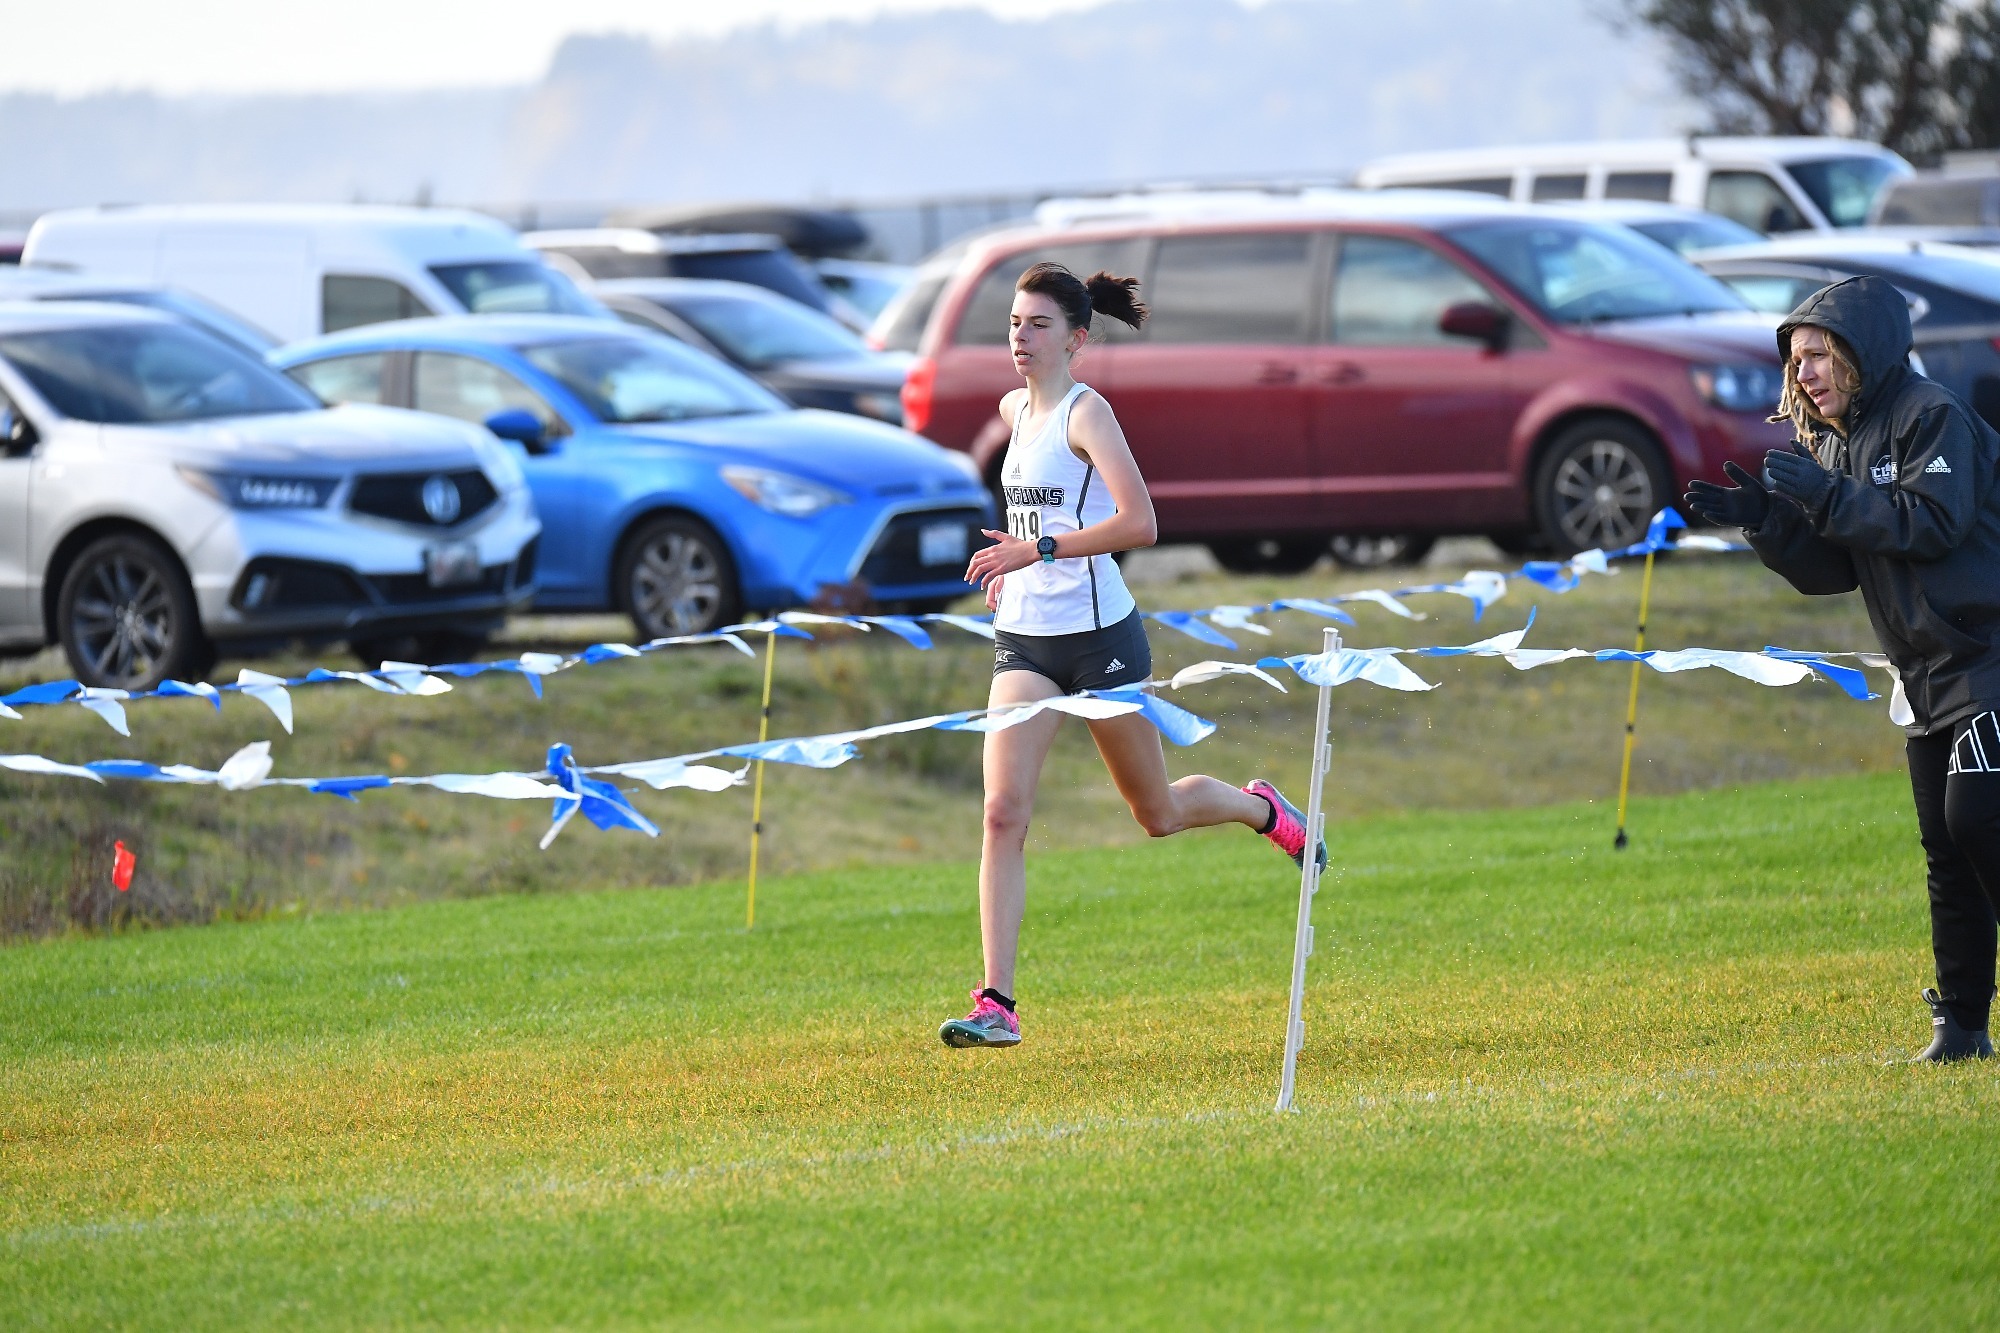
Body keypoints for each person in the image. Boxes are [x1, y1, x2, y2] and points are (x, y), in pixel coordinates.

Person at [937, 261, 1326, 1049]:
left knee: (1156, 813)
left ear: (1077, 339)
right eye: (1014, 322)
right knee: (1002, 812)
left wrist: (1037, 547)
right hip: (1025, 645)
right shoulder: (1013, 409)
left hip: (1102, 641)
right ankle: (997, 1004)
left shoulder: (1088, 413)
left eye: (1039, 324)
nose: (1021, 336)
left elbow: (1140, 523)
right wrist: (1011, 568)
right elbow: (1028, 520)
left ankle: (1264, 809)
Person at [1685, 275, 2000, 1063]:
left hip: (1989, 656)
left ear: (1864, 352)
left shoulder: (1931, 416)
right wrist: (1764, 520)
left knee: (1978, 819)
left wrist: (1826, 493)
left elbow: (1933, 524)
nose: (1805, 374)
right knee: (1944, 846)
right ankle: (1961, 1026)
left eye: (1819, 354)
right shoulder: (1830, 439)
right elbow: (1833, 566)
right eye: (1795, 361)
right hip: (1927, 673)